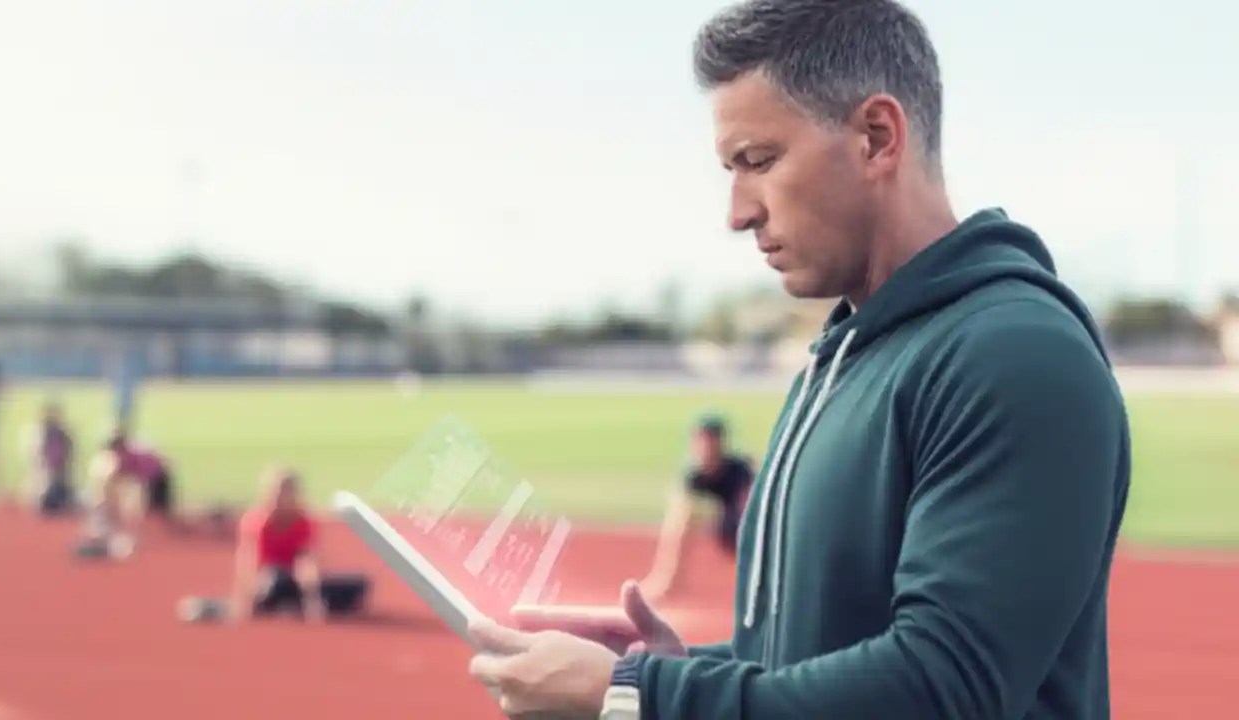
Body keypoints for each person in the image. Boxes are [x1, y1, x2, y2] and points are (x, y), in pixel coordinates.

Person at [468, 2, 1132, 719]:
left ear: (877, 138)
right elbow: (808, 658)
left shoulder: (1013, 353)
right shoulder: (845, 356)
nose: (737, 211)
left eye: (758, 161)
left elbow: (944, 689)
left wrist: (638, 698)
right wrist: (671, 669)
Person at [177, 468, 371, 624]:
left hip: (295, 580)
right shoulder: (257, 521)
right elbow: (249, 563)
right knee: (274, 580)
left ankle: (292, 605)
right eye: (276, 492)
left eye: (285, 492)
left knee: (358, 584)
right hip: (267, 581)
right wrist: (243, 598)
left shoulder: (305, 521)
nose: (279, 498)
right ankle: (216, 607)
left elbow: (307, 561)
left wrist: (313, 598)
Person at [638, 415, 753, 602]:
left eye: (710, 440)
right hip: (721, 524)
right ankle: (668, 580)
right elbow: (681, 508)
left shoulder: (740, 470)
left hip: (742, 525)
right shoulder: (693, 475)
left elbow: (751, 507)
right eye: (701, 440)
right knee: (680, 520)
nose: (705, 446)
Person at [76, 428, 176, 557]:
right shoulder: (129, 452)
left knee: (156, 509)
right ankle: (156, 533)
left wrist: (105, 500)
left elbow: (117, 479)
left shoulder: (124, 456)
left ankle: (157, 535)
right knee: (155, 508)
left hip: (156, 478)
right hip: (154, 476)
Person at [25, 400, 77, 515]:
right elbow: (37, 464)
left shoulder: (64, 435)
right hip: (43, 480)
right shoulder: (37, 435)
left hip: (59, 479)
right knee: (44, 497)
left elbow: (68, 463)